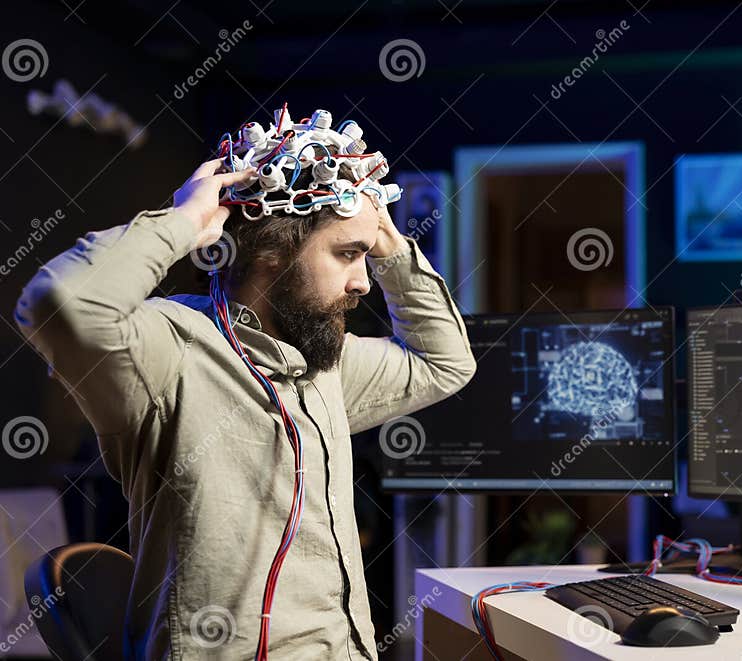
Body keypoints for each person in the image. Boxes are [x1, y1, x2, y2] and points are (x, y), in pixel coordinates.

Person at [12, 156, 476, 659]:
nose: (364, 282)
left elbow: (445, 362)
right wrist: (184, 221)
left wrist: (383, 236)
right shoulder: (167, 352)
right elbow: (63, 303)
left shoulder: (324, 364)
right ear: (272, 251)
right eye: (347, 254)